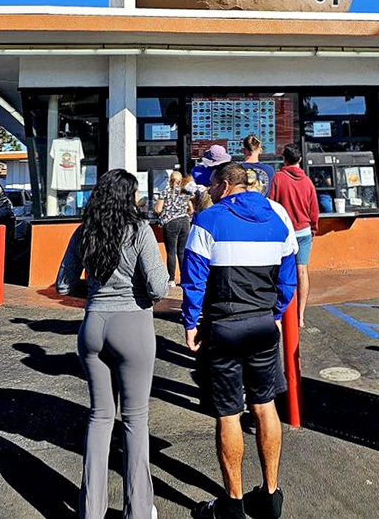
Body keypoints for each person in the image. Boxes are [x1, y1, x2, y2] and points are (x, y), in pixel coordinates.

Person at [181, 162, 297, 519]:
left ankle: (232, 505)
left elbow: (194, 280)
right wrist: (275, 315)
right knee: (265, 407)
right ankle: (271, 495)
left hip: (224, 328)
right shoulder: (279, 221)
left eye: (213, 186)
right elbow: (288, 280)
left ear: (227, 185)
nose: (209, 192)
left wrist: (189, 322)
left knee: (229, 414)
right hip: (263, 325)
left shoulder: (209, 221)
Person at [56, 169, 169, 519]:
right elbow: (159, 287)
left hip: (93, 326)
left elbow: (63, 285)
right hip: (132, 325)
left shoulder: (85, 231)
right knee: (135, 421)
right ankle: (137, 509)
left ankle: (90, 510)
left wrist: (91, 294)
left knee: (99, 417)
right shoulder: (139, 231)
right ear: (127, 197)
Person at [269, 144, 319, 328]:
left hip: (284, 233)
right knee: (302, 271)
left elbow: (272, 205)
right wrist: (314, 229)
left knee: (281, 273)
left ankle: (280, 313)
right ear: (300, 159)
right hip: (304, 231)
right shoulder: (307, 181)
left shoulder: (278, 178)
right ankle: (301, 315)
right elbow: (314, 210)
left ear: (284, 159)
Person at [154, 170, 193, 287]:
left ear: (170, 180)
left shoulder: (165, 192)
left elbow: (158, 209)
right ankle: (184, 277)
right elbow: (191, 208)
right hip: (185, 222)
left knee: (171, 252)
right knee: (182, 251)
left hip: (170, 222)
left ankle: (171, 279)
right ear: (181, 180)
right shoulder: (185, 192)